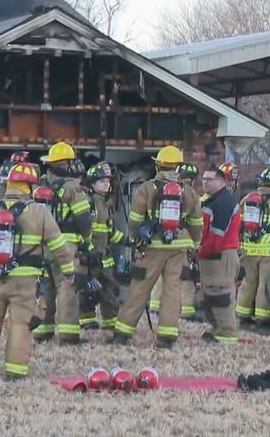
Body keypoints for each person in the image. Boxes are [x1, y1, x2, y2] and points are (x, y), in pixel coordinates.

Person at [0, 162, 74, 380]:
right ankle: (15, 372)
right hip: (25, 281)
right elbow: (59, 245)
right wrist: (69, 270)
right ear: (30, 187)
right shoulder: (39, 212)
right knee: (21, 324)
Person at [111, 145, 203, 349]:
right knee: (172, 290)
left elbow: (135, 221)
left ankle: (122, 334)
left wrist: (136, 241)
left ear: (158, 164)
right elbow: (197, 223)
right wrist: (194, 244)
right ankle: (167, 336)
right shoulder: (189, 192)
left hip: (151, 247)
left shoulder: (146, 189)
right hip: (179, 248)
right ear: (178, 166)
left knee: (139, 289)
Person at [33, 141, 92, 344]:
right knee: (68, 285)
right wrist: (88, 241)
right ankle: (68, 334)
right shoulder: (71, 188)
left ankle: (42, 329)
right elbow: (84, 219)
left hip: (41, 244)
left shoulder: (40, 184)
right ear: (65, 163)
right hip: (65, 244)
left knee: (45, 285)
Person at [237, 167, 270, 325]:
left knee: (248, 281)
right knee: (264, 283)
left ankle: (242, 314)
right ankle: (263, 317)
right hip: (269, 251)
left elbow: (238, 223)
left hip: (248, 250)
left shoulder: (247, 199)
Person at [149, 162, 200, 320]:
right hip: (182, 242)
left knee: (159, 275)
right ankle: (186, 312)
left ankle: (154, 307)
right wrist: (196, 244)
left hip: (159, 240)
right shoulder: (191, 195)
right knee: (184, 278)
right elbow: (196, 223)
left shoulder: (161, 190)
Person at [78, 161, 125, 330]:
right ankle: (86, 320)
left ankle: (111, 321)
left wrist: (127, 241)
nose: (107, 184)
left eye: (108, 181)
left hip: (104, 256)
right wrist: (87, 251)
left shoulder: (107, 204)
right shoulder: (90, 203)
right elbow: (85, 230)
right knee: (87, 290)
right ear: (92, 182)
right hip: (91, 256)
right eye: (102, 181)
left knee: (110, 289)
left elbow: (110, 232)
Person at [198, 163, 242, 343]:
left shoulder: (224, 202)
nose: (205, 183)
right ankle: (218, 329)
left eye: (209, 179)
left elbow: (217, 235)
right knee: (210, 295)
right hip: (212, 256)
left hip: (221, 255)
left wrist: (201, 250)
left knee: (220, 294)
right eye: (203, 179)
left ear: (221, 181)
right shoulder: (213, 200)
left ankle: (227, 334)